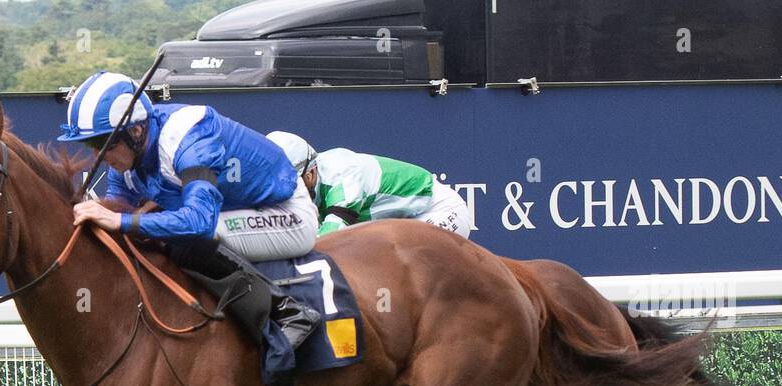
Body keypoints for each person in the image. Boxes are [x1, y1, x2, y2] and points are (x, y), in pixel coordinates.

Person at [59, 72, 323, 352]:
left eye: (104, 144)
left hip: (285, 213)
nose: (101, 156)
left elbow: (199, 223)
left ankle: (287, 312)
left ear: (136, 131)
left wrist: (120, 219)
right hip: (234, 210)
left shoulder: (188, 138)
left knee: (187, 241)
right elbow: (116, 221)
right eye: (91, 145)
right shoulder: (124, 167)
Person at [265, 131, 474, 238]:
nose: (282, 190)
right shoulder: (309, 177)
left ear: (310, 173)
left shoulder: (343, 174)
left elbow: (329, 239)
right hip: (403, 220)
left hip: (439, 211)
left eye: (289, 182)